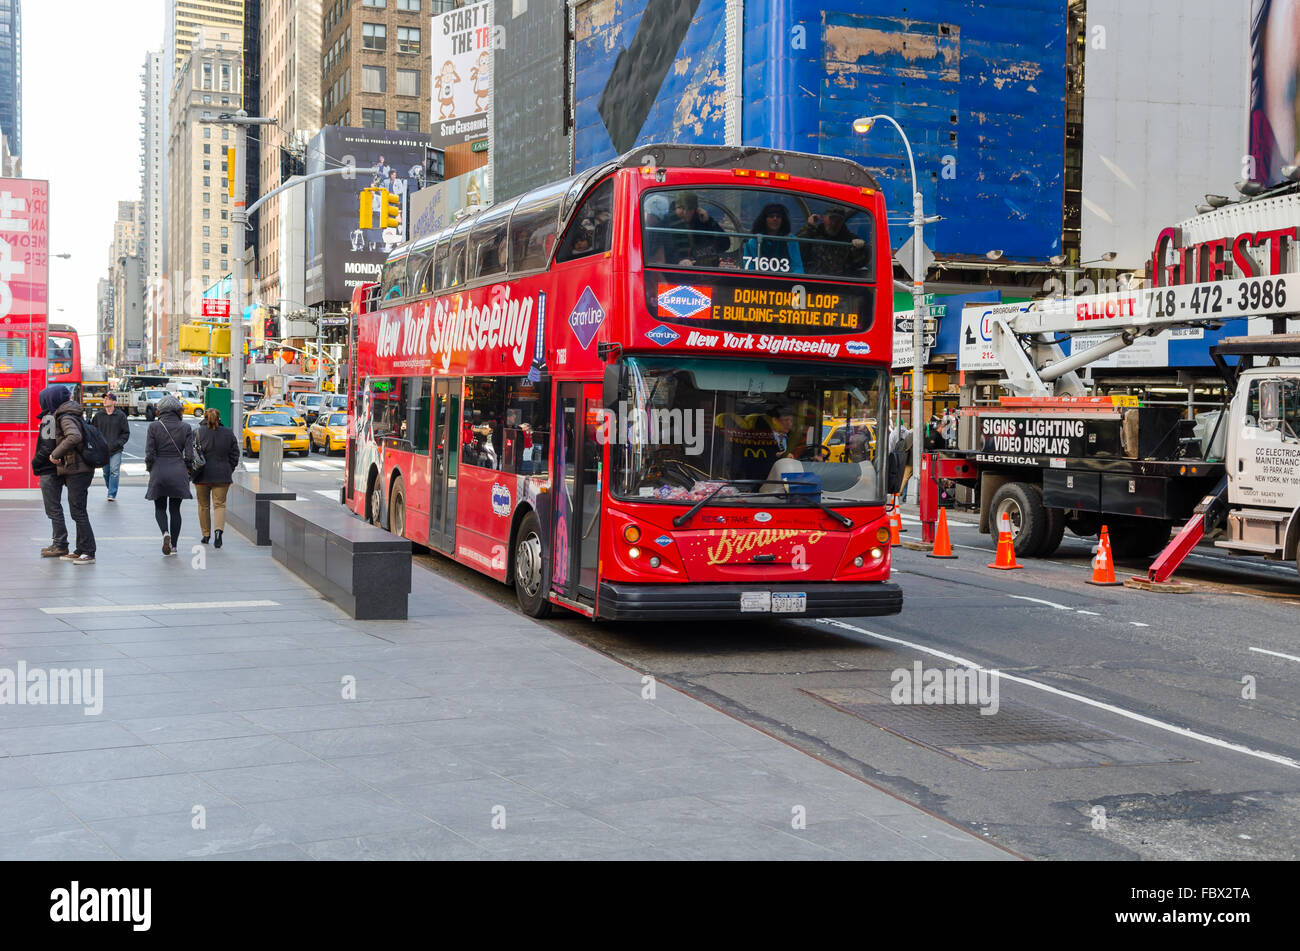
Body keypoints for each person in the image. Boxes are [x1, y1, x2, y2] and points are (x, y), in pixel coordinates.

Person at [48, 385, 96, 565]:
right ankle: (80, 549)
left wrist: (55, 454)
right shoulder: (70, 414)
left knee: (78, 511)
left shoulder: (65, 417)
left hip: (78, 470)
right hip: (78, 469)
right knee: (77, 510)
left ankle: (89, 552)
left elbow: (74, 437)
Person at [145, 395, 193, 555]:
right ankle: (173, 545)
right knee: (175, 509)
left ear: (161, 410)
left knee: (159, 507)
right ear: (178, 410)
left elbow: (149, 453)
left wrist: (150, 468)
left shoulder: (154, 427)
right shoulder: (186, 427)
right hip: (178, 470)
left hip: (159, 469)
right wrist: (187, 470)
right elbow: (190, 456)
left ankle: (165, 532)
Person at [193, 408, 241, 548]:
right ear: (219, 418)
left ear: (205, 417)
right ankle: (218, 532)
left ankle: (206, 534)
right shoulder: (228, 433)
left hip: (201, 476)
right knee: (219, 505)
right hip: (222, 475)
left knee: (203, 506)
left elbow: (191, 454)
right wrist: (229, 468)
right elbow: (235, 454)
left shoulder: (197, 432)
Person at [33, 385, 70, 559]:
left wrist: (35, 461)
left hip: (48, 470)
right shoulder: (60, 416)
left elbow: (47, 447)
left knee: (52, 508)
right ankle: (59, 542)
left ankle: (60, 544)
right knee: (55, 507)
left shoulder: (49, 419)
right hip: (59, 468)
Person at [664, 191, 730, 267]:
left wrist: (708, 222)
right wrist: (678, 261)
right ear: (676, 207)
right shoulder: (667, 224)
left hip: (705, 270)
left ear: (695, 209)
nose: (685, 212)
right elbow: (661, 254)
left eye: (690, 209)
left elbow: (725, 245)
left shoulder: (702, 221)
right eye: (681, 208)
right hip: (679, 272)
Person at [798, 206, 869, 275]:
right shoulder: (812, 234)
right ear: (823, 218)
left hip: (841, 283)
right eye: (831, 219)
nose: (834, 223)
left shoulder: (850, 239)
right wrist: (809, 227)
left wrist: (859, 250)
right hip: (814, 281)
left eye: (839, 220)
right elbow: (796, 251)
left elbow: (860, 263)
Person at [91, 392, 130, 501]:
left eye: (107, 399)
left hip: (116, 450)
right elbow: (93, 431)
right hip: (103, 450)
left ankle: (112, 493)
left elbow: (125, 433)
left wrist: (118, 443)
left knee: (114, 471)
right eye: (104, 398)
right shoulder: (98, 416)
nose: (105, 400)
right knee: (106, 472)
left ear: (114, 402)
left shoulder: (121, 416)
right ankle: (110, 488)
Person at [743, 203, 804, 273]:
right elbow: (749, 268)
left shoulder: (790, 240)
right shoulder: (754, 241)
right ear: (764, 220)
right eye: (771, 216)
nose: (775, 219)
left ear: (783, 220)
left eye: (778, 216)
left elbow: (797, 267)